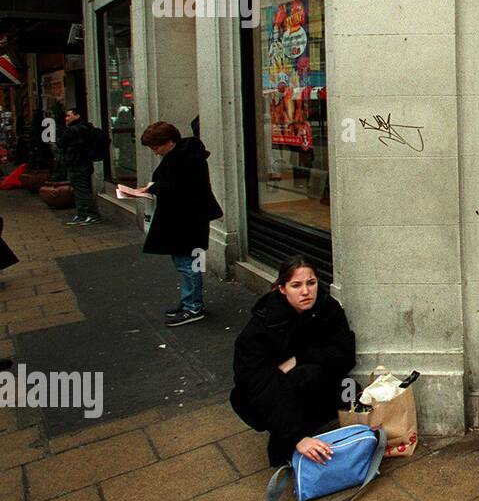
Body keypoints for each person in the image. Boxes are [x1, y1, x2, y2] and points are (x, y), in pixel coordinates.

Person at [229, 256, 356, 466]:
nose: (306, 292)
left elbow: (345, 354)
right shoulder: (261, 328)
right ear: (282, 288)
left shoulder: (327, 307)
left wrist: (299, 358)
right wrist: (296, 437)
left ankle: (319, 427)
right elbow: (256, 386)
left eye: (311, 283)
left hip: (309, 381)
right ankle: (287, 444)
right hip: (267, 396)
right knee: (301, 381)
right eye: (296, 285)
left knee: (349, 388)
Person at [131, 121, 223, 326]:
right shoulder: (184, 155)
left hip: (185, 220)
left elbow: (180, 189)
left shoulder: (183, 159)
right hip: (187, 219)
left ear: (170, 142)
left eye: (156, 147)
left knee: (187, 264)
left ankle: (193, 307)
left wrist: (154, 187)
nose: (155, 152)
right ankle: (190, 301)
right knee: (187, 263)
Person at [57, 108, 102, 226]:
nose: (66, 118)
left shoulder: (73, 130)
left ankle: (91, 215)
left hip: (77, 164)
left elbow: (61, 143)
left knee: (81, 191)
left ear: (77, 116)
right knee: (81, 190)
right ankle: (82, 214)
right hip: (84, 163)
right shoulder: (86, 127)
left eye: (68, 116)